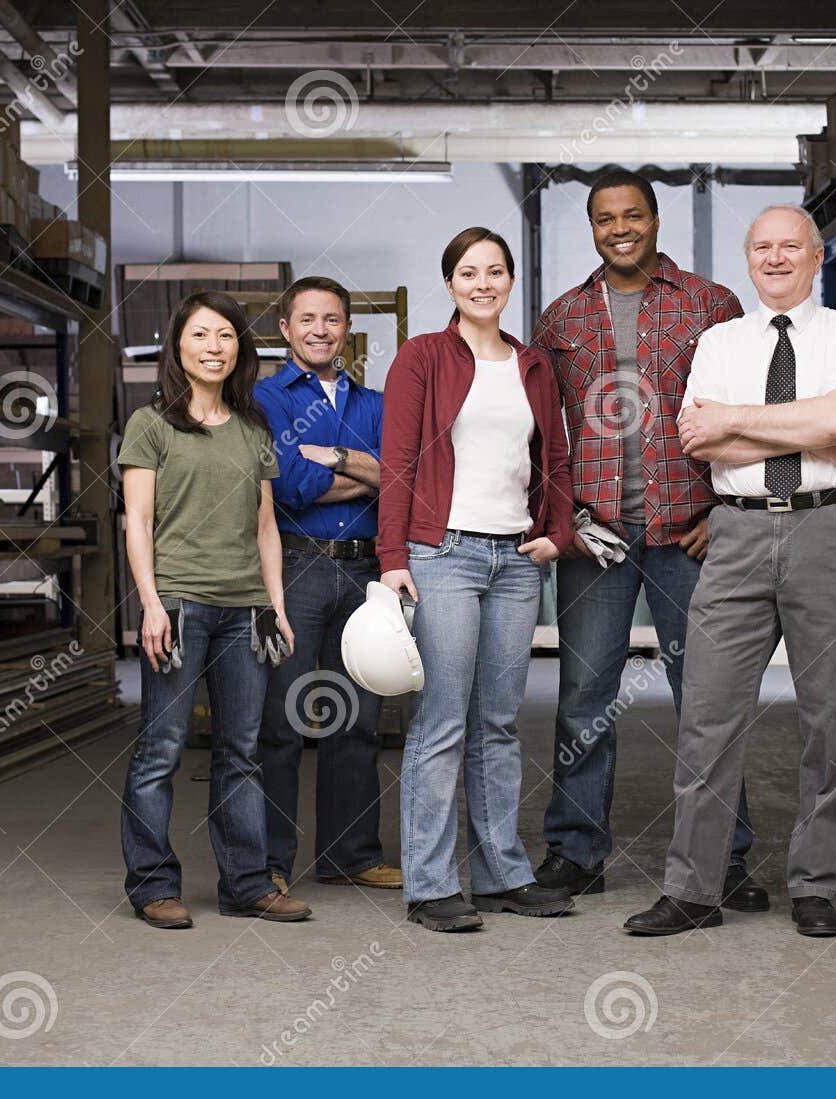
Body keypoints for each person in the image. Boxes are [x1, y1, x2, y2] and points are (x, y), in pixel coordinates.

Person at [624, 203, 836, 939]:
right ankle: (693, 889)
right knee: (706, 715)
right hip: (733, 537)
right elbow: (698, 441)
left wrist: (742, 420)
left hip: (831, 529)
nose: (775, 258)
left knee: (831, 719)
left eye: (789, 246)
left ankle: (815, 884)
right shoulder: (718, 340)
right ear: (749, 258)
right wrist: (794, 424)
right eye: (762, 246)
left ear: (816, 254)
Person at [531, 168, 763, 912]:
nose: (619, 228)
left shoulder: (710, 304)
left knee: (707, 699)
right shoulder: (562, 317)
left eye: (633, 214)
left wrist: (725, 512)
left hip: (688, 534)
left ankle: (722, 856)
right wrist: (562, 520)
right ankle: (575, 851)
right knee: (584, 698)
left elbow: (746, 414)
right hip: (597, 538)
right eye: (605, 218)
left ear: (655, 221)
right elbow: (543, 434)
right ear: (592, 227)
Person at [379, 227, 577, 932]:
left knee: (497, 722)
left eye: (495, 271)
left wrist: (559, 529)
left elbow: (554, 453)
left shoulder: (533, 364)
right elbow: (398, 458)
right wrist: (393, 556)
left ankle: (500, 874)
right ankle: (431, 885)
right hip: (445, 555)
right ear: (451, 281)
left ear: (510, 280)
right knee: (441, 721)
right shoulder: (422, 356)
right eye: (469, 271)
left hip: (516, 560)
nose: (483, 282)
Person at [117, 290, 309, 928]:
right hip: (178, 605)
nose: (214, 348)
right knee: (162, 748)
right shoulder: (152, 425)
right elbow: (137, 522)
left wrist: (276, 607)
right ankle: (152, 887)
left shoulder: (253, 427)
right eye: (201, 336)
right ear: (178, 346)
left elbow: (266, 530)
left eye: (225, 336)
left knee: (241, 750)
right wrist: (150, 605)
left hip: (244, 610)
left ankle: (248, 884)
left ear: (240, 348)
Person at [254, 276, 402, 895]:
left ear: (347, 329)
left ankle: (352, 855)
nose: (321, 330)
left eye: (332, 319)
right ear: (286, 329)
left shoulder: (374, 404)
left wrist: (333, 458)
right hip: (297, 567)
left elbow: (402, 474)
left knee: (359, 720)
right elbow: (286, 485)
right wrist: (365, 470)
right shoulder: (265, 399)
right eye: (307, 319)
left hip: (365, 571)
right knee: (283, 721)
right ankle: (270, 862)